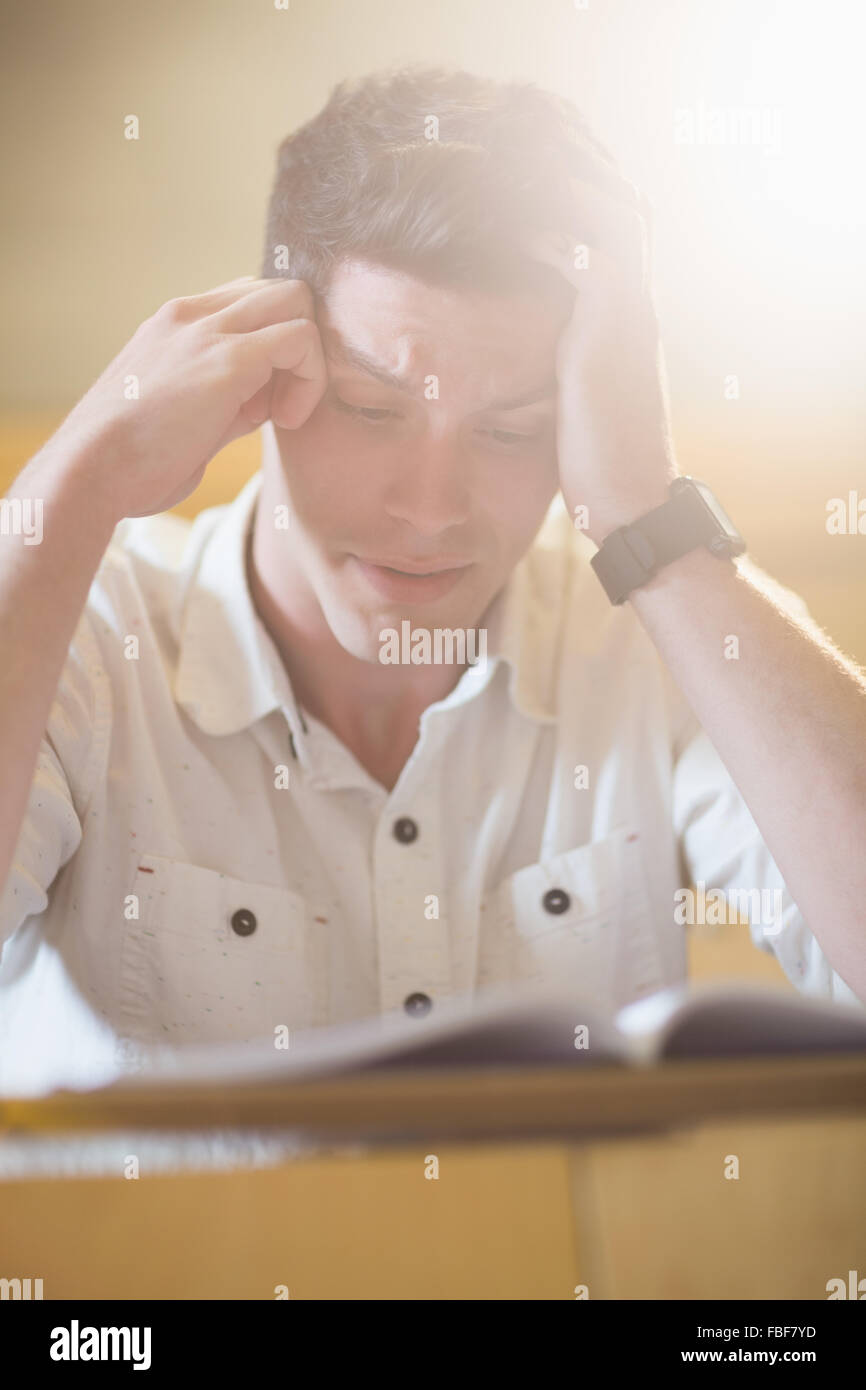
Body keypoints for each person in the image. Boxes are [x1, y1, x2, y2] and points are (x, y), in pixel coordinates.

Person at [0, 67, 863, 1097]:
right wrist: (71, 486)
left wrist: (644, 507)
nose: (430, 509)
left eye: (511, 431)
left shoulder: (654, 646)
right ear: (264, 364)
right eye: (371, 409)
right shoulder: (90, 638)